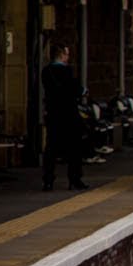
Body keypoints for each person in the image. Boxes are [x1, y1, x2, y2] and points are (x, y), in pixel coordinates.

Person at [42, 42, 88, 191]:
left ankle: (48, 180)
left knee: (51, 149)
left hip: (53, 113)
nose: (68, 57)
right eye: (67, 54)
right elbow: (74, 89)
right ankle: (74, 179)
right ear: (61, 55)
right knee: (74, 148)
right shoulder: (66, 71)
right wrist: (82, 91)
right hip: (68, 114)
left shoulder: (46, 72)